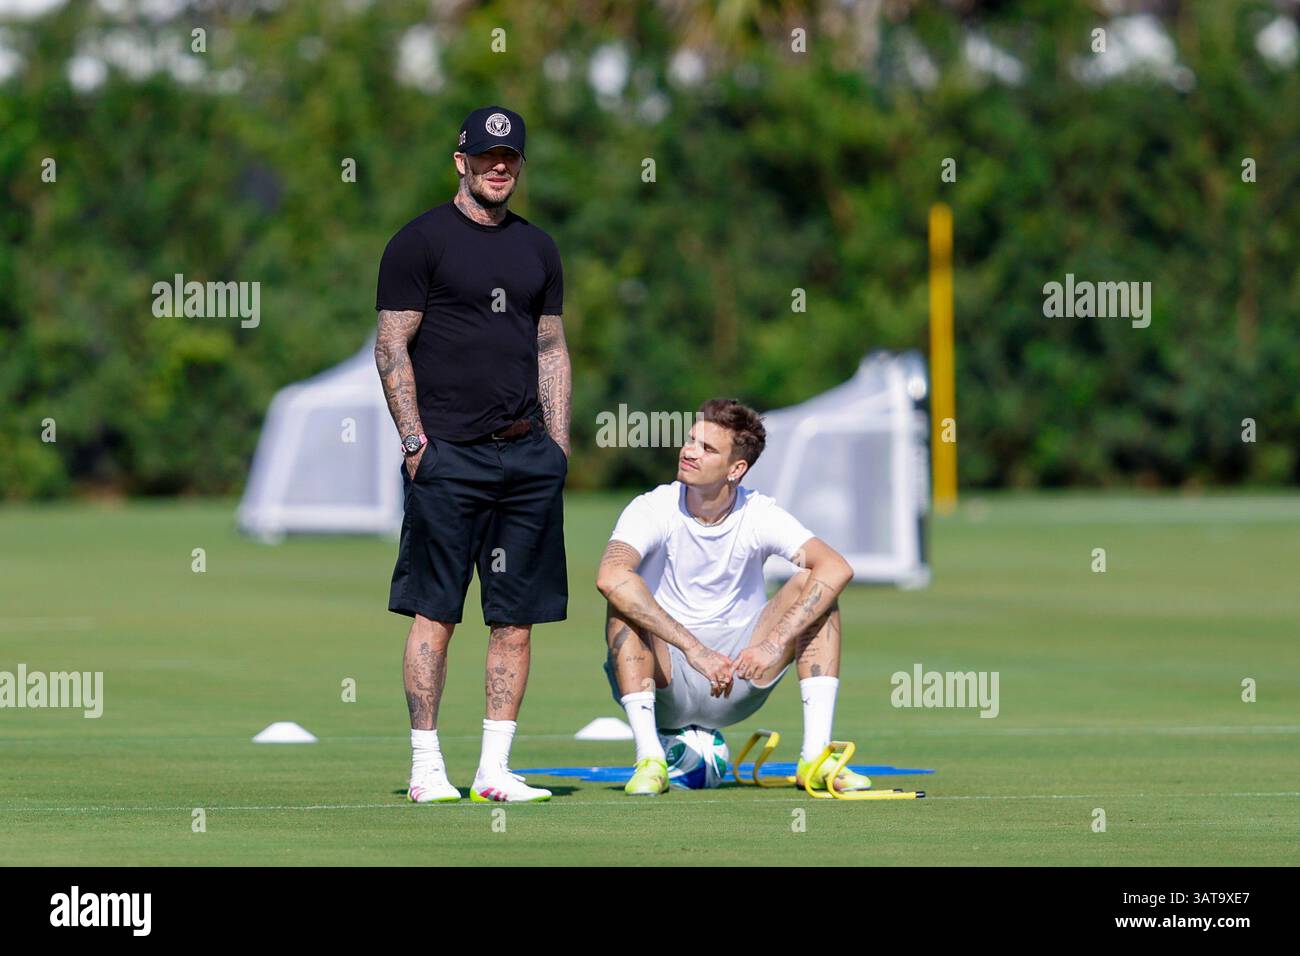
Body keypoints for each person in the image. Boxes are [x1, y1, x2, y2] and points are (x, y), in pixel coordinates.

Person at [374, 106, 570, 804]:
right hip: (448, 458)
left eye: (510, 157)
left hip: (526, 459)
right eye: (488, 156)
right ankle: (427, 768)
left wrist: (558, 446)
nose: (499, 166)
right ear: (462, 161)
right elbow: (391, 345)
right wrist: (414, 444)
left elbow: (551, 348)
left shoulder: (538, 247)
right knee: (436, 614)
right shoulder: (419, 242)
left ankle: (494, 770)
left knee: (515, 619)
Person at [595, 398, 872, 796]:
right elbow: (609, 576)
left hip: (740, 674)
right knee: (623, 594)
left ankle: (814, 757)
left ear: (735, 469)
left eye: (707, 448)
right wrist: (695, 649)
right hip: (666, 675)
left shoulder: (759, 513)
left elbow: (836, 567)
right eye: (691, 440)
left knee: (815, 587)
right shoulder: (651, 507)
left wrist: (772, 645)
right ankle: (650, 759)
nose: (689, 451)